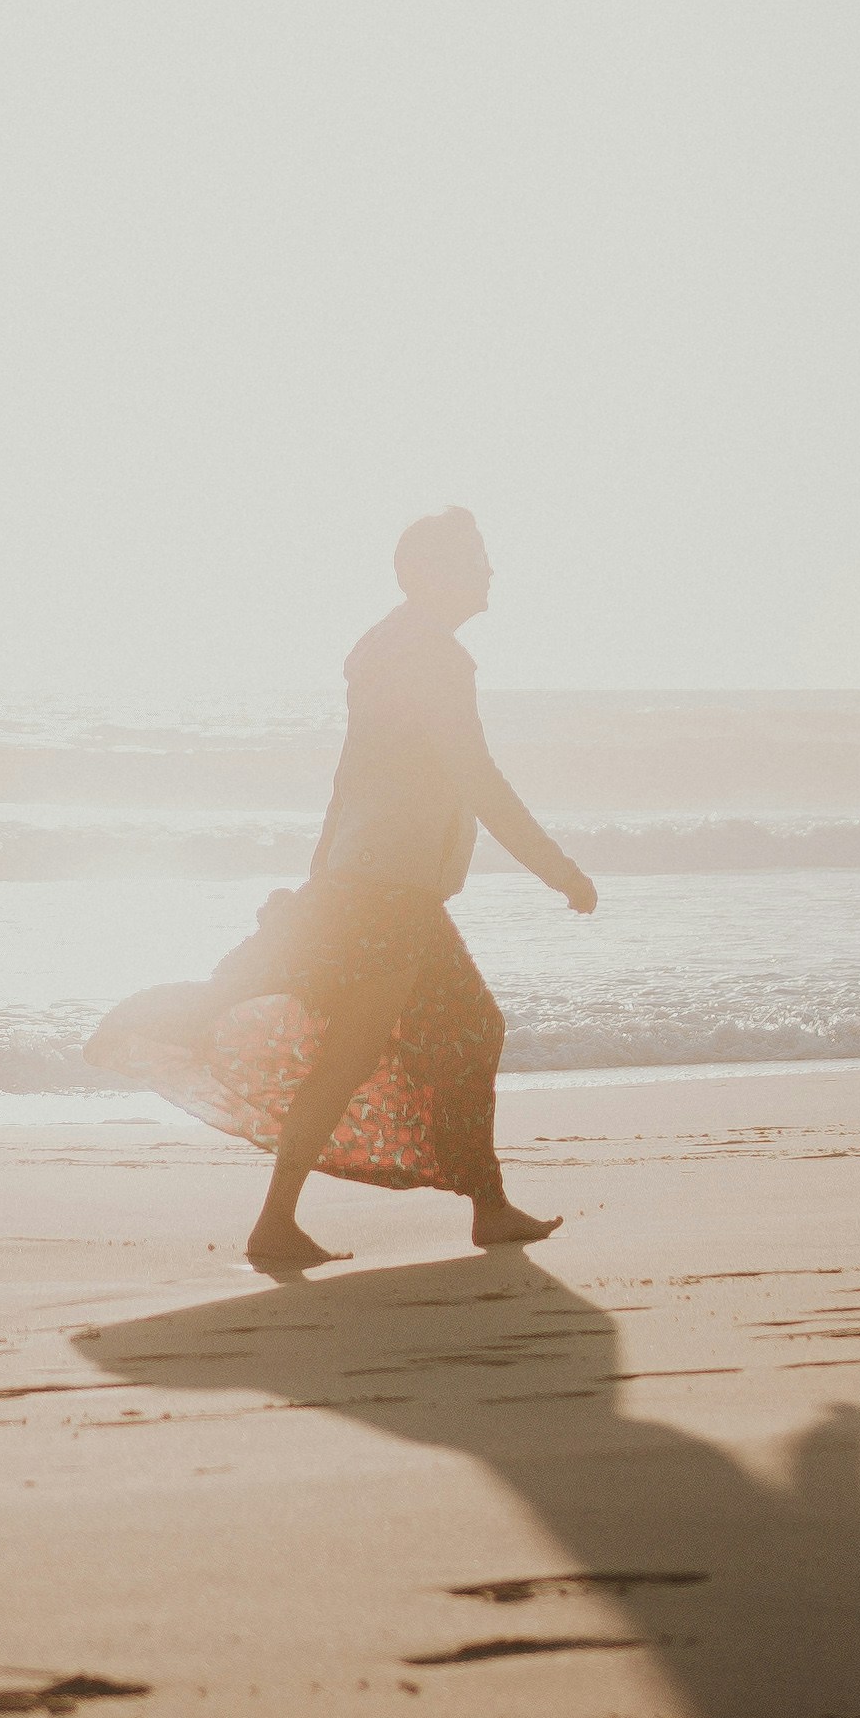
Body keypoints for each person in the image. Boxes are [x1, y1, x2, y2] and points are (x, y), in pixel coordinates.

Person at [230, 508, 598, 1279]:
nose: (489, 571)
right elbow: (479, 779)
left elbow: (347, 781)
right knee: (437, 1033)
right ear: (430, 574)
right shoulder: (433, 660)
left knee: (416, 1038)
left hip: (368, 882)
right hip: (390, 891)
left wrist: (320, 879)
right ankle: (470, 1208)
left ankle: (460, 1205)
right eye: (473, 558)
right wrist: (559, 870)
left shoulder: (386, 656)